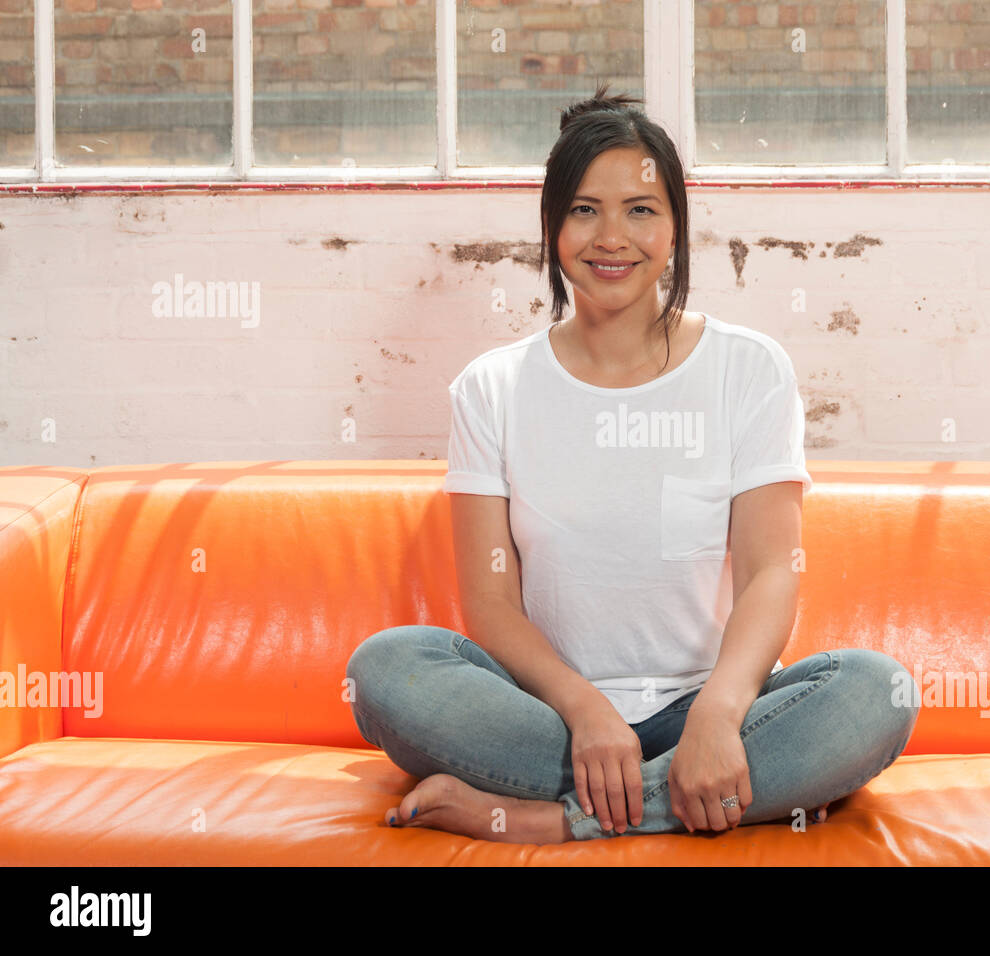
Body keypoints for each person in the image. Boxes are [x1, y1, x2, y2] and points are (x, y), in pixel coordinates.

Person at [346, 82, 920, 844]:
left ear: (675, 229)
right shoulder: (493, 388)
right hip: (549, 718)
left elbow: (770, 573)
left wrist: (719, 713)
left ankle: (558, 820)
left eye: (641, 210)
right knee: (387, 668)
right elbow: (490, 605)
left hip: (707, 711)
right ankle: (669, 798)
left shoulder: (749, 369)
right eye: (585, 210)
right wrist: (586, 712)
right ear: (552, 228)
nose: (611, 236)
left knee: (877, 692)